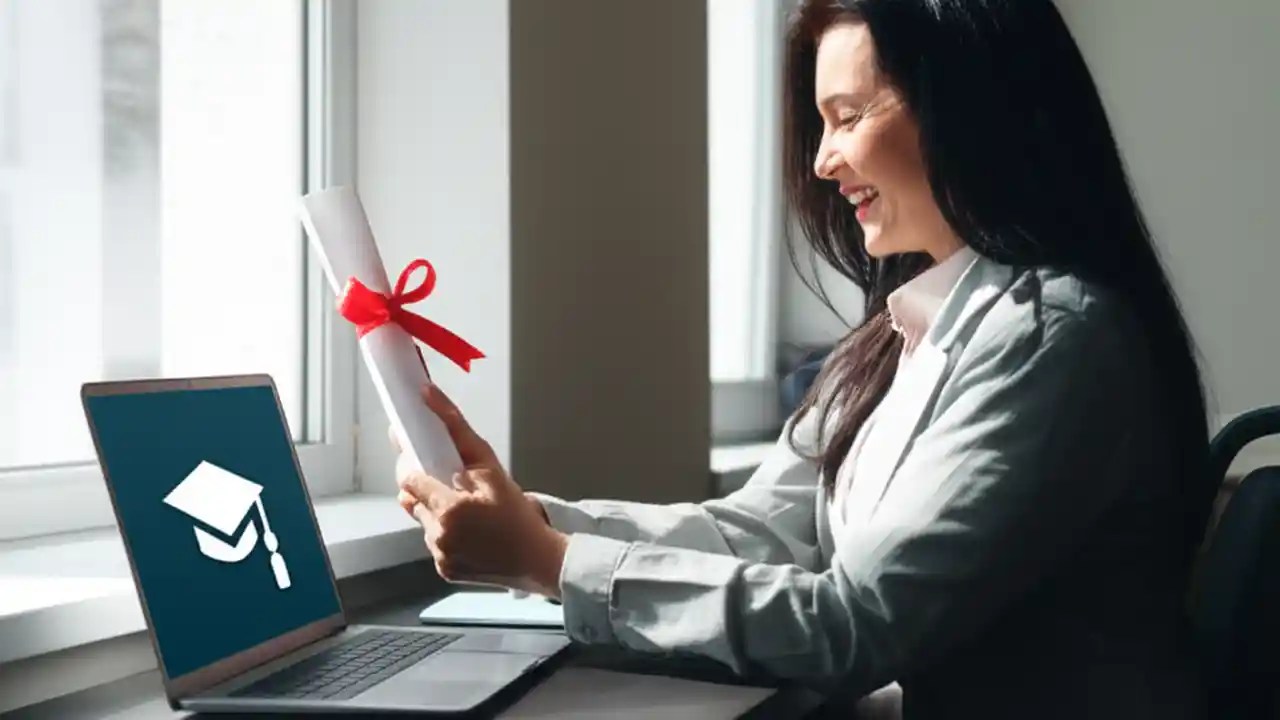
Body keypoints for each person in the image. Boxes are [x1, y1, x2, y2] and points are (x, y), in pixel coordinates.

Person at [394, 1, 1216, 716]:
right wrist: (534, 525)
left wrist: (552, 564)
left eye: (849, 115)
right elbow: (760, 530)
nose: (824, 161)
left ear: (967, 109)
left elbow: (859, 624)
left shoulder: (1052, 338)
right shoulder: (900, 337)